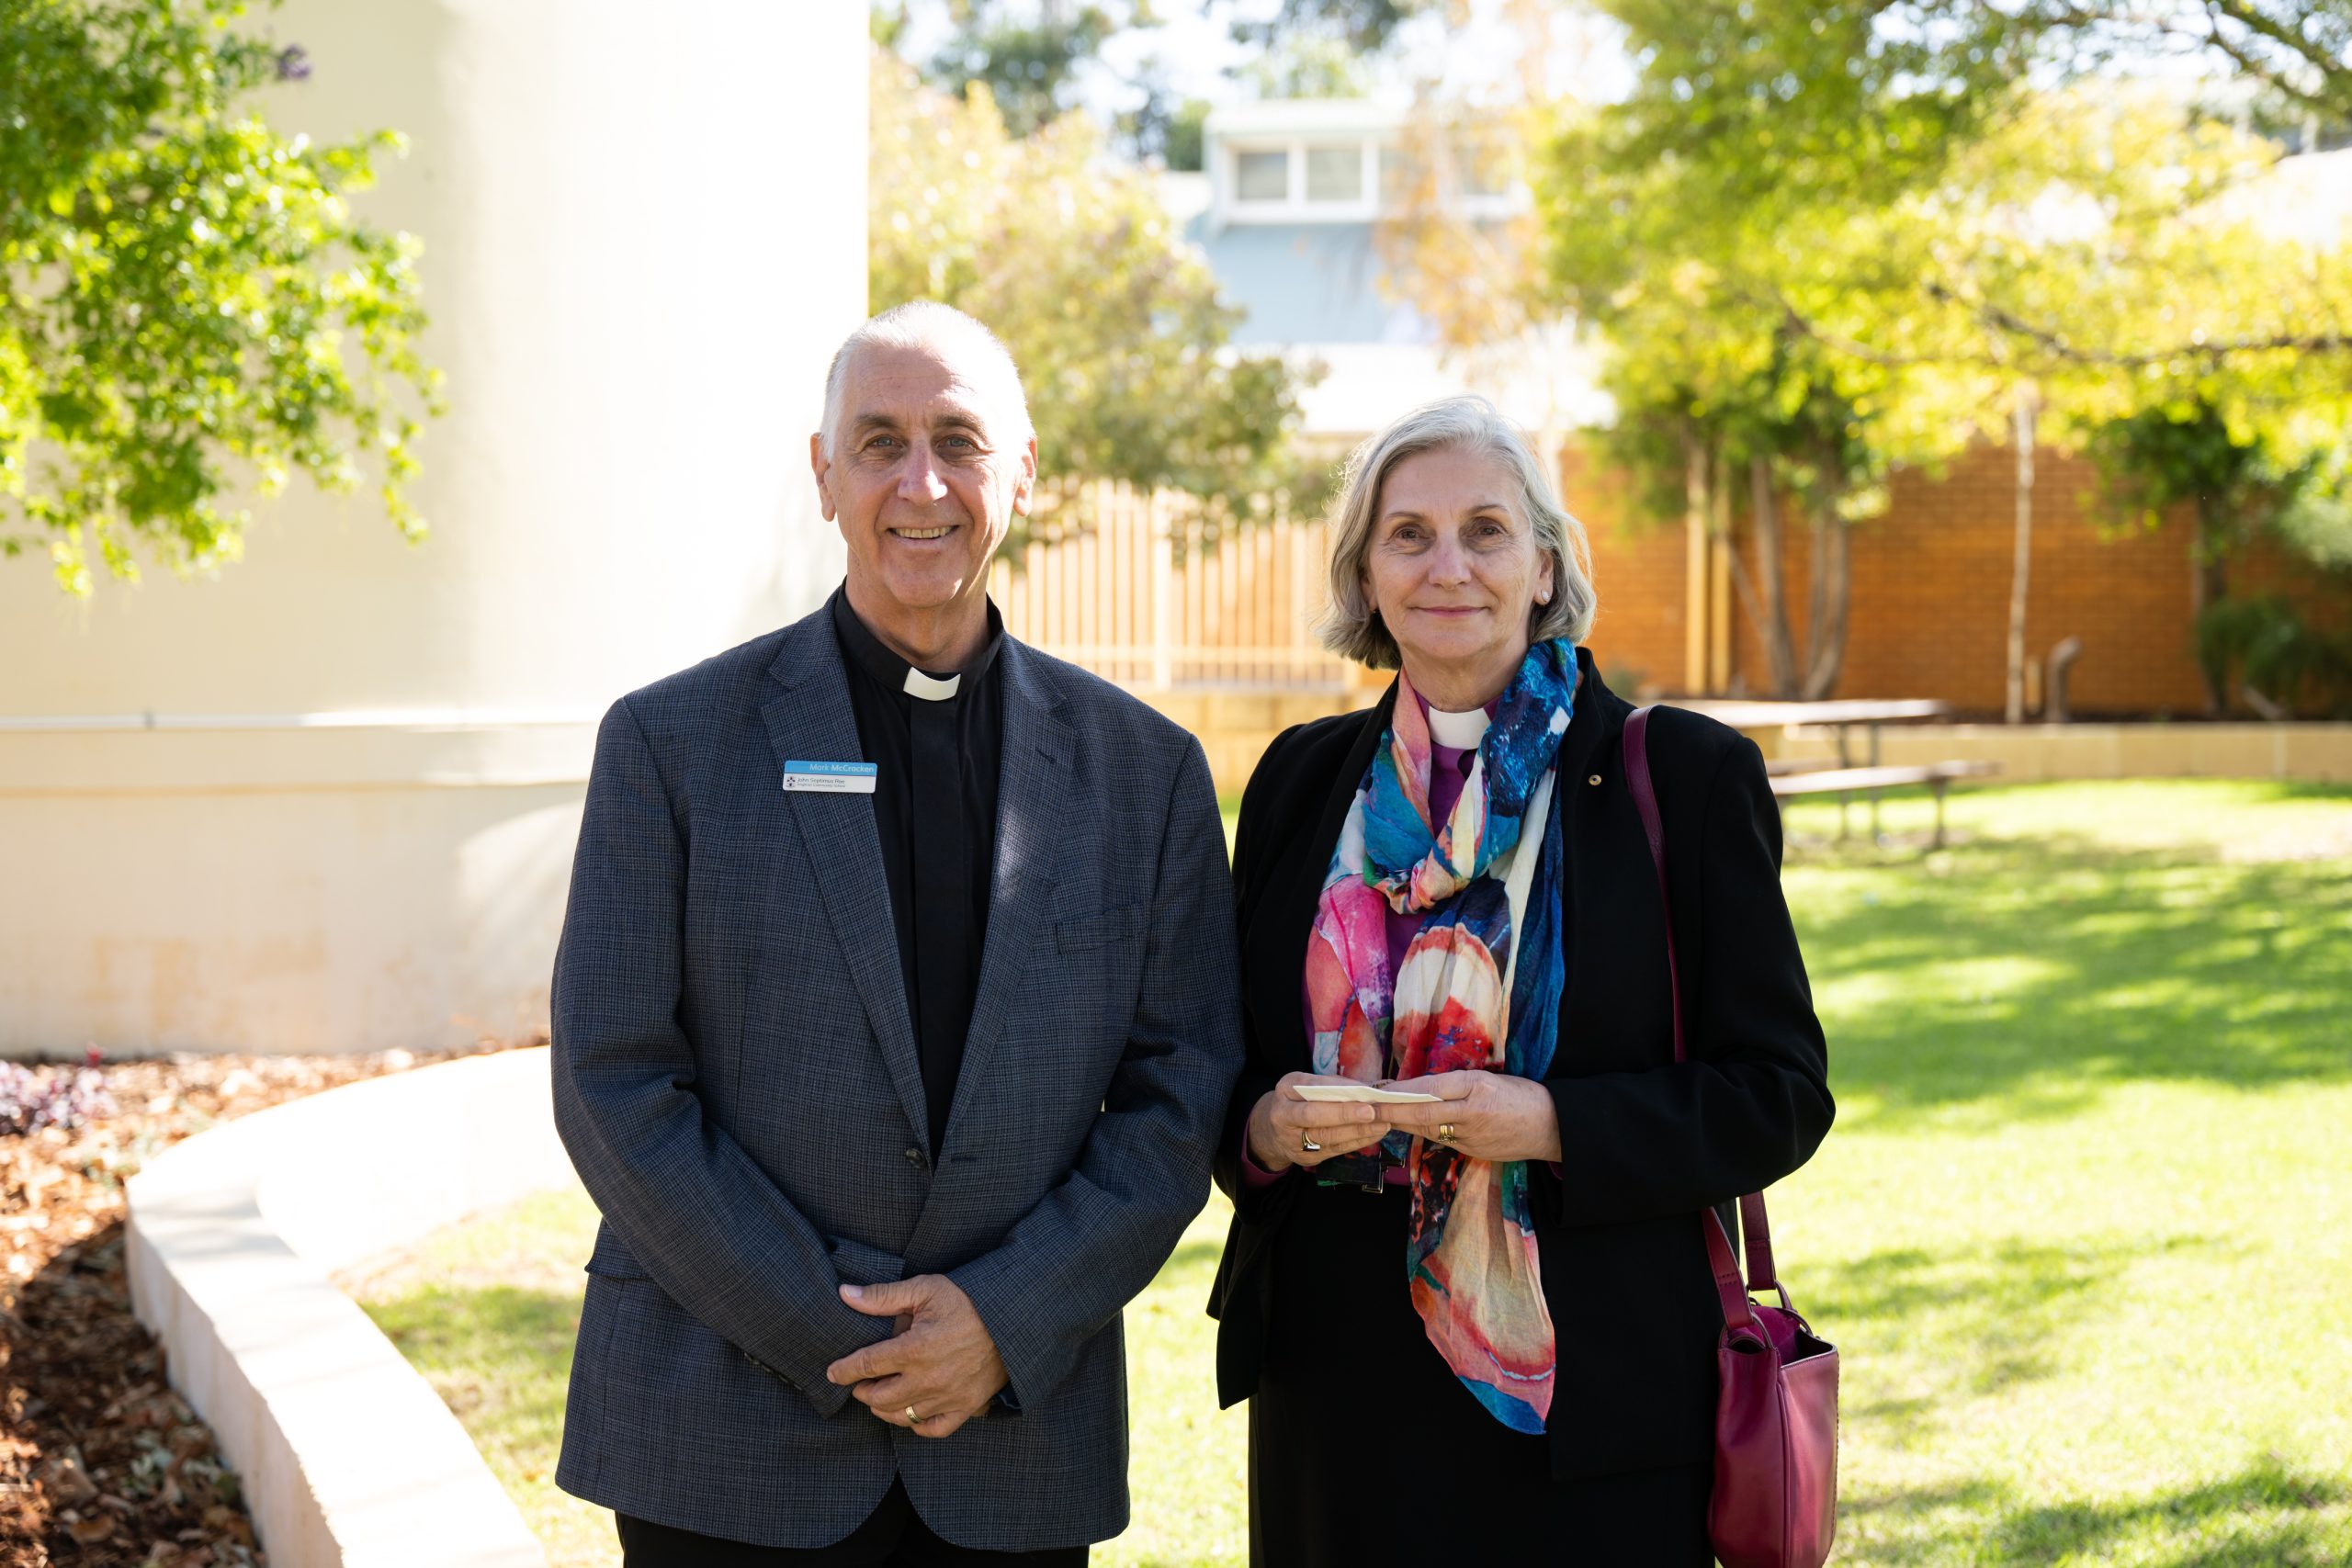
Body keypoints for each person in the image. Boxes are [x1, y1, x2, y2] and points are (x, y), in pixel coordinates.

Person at [550, 301, 1242, 1565]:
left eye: (959, 439)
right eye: (878, 441)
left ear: (1022, 472)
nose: (920, 482)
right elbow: (613, 1078)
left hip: (1014, 1434)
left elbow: (1178, 1096)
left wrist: (1000, 1317)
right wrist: (845, 1329)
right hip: (719, 1435)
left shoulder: (1145, 773)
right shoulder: (669, 744)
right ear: (824, 475)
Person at [1207, 396, 1835, 1566]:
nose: (1448, 565)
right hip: (1333, 1396)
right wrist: (1260, 1128)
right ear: (1364, 572)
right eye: (1408, 534)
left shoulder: (1680, 777)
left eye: (1485, 530)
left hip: (1588, 1402)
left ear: (1545, 564)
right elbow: (1221, 1060)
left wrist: (1550, 1124)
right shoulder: (1299, 780)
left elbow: (1778, 1093)